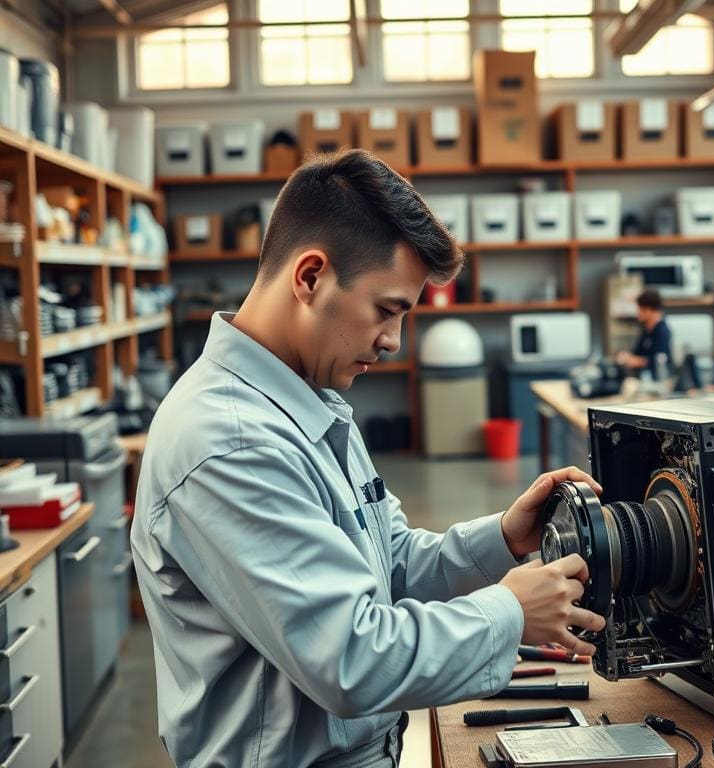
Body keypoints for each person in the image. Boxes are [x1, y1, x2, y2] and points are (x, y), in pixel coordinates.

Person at [130, 150, 606, 768]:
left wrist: (503, 539)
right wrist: (511, 612)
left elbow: (387, 567)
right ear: (310, 278)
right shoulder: (231, 443)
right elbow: (351, 660)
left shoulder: (311, 398)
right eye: (387, 310)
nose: (393, 341)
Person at [615, 289, 672, 379]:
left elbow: (659, 360)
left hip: (656, 379)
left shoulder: (662, 331)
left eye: (640, 309)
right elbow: (637, 353)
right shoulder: (646, 330)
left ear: (648, 310)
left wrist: (637, 361)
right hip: (641, 377)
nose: (638, 313)